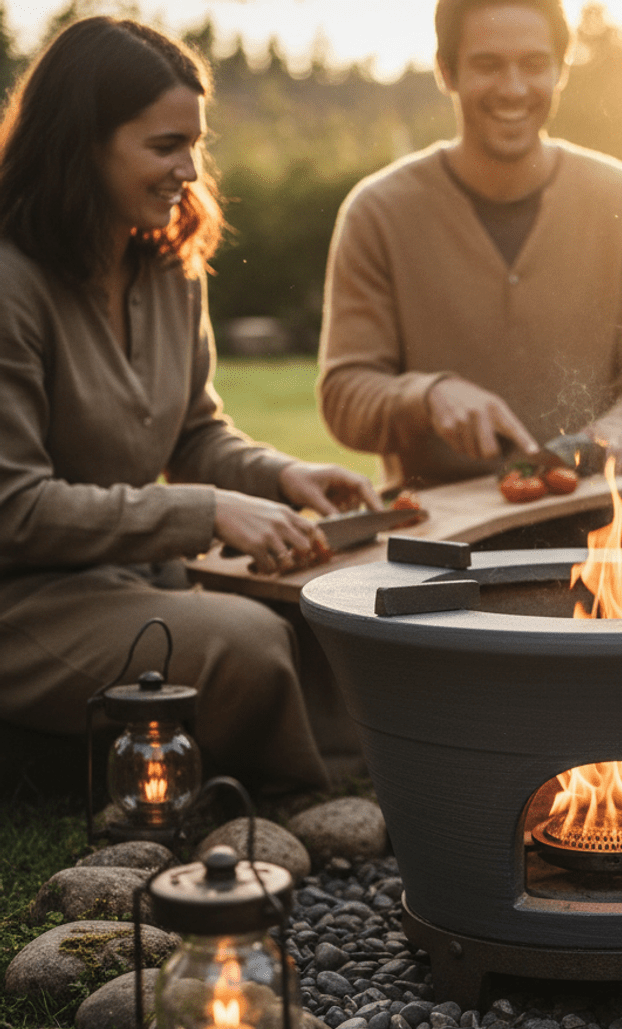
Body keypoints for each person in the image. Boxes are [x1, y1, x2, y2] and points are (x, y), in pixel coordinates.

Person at [0, 17, 381, 795]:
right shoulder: (12, 286)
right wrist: (204, 511)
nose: (190, 170)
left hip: (144, 580)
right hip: (29, 606)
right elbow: (14, 510)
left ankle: (372, 796)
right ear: (83, 144)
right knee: (243, 640)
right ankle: (313, 816)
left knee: (338, 606)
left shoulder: (171, 266)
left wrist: (282, 475)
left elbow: (196, 431)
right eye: (165, 145)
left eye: (196, 144)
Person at [317, 0, 622, 546]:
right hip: (435, 540)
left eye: (535, 63)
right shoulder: (378, 211)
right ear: (447, 72)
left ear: (561, 70)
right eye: (489, 65)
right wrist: (427, 397)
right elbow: (344, 394)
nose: (514, 88)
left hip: (603, 529)